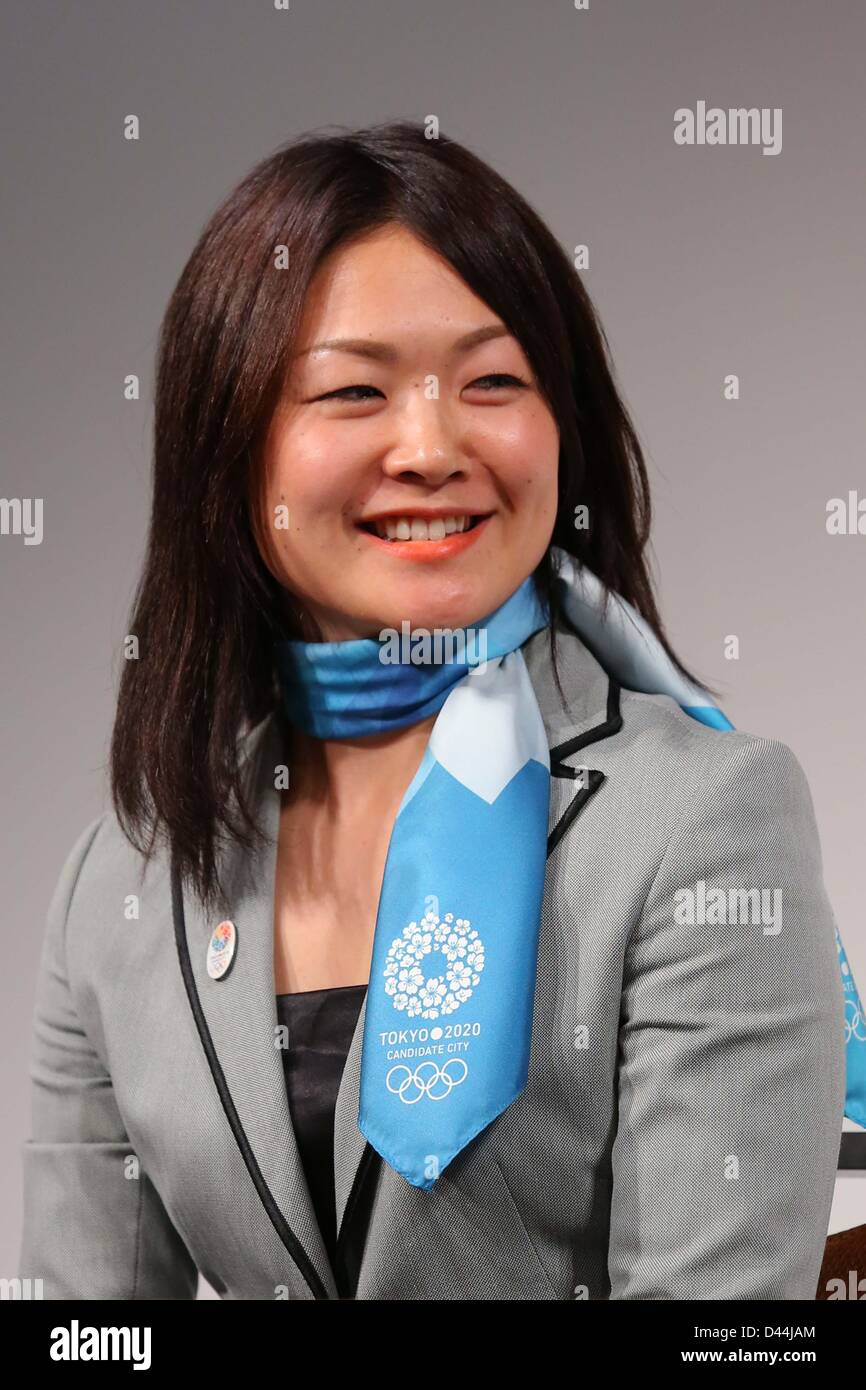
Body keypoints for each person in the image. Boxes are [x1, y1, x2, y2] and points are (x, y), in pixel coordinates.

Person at [18, 120, 847, 1300]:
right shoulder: (121, 880)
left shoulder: (702, 820)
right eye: (353, 390)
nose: (430, 445)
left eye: (492, 382)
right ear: (230, 451)